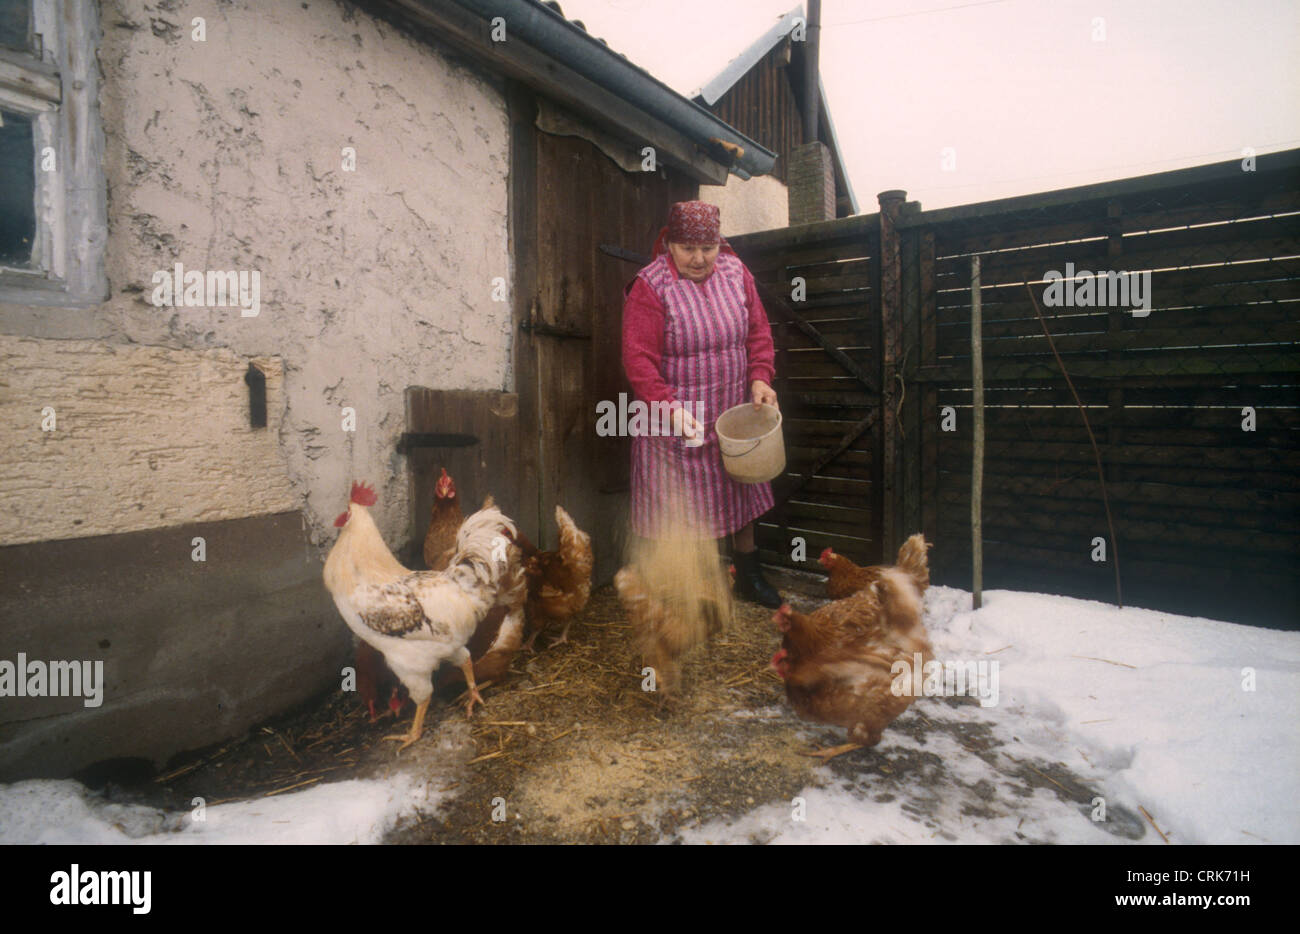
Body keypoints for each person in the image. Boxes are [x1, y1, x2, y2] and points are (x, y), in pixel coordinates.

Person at [621, 200, 782, 608]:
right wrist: (668, 408)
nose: (699, 258)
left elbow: (758, 332)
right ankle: (687, 592)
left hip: (729, 411)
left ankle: (748, 575)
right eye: (688, 248)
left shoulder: (735, 271)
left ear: (718, 243)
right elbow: (638, 359)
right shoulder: (651, 285)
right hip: (674, 419)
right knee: (681, 508)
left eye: (707, 248)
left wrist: (761, 377)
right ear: (669, 243)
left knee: (741, 489)